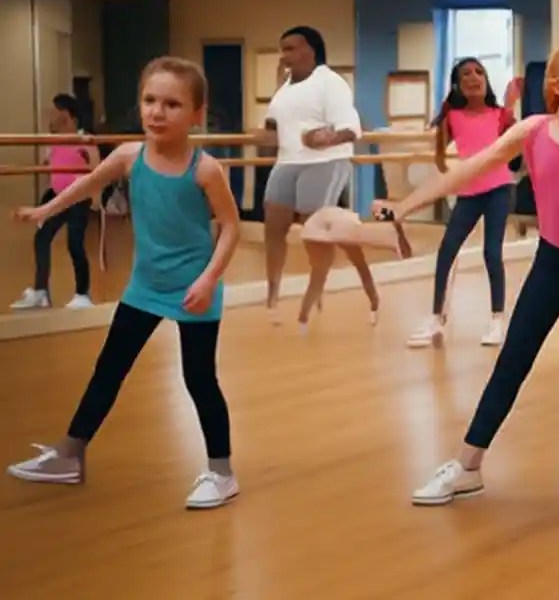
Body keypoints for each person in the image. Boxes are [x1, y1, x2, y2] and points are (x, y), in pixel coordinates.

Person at [377, 34, 559, 533]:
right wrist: (404, 208)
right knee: (511, 364)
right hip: (551, 264)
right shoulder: (532, 131)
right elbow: (468, 170)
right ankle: (468, 467)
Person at [7, 57, 241, 509]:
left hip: (195, 288)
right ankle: (71, 454)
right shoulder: (130, 156)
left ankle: (222, 471)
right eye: (150, 100)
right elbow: (84, 184)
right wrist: (44, 211)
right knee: (109, 368)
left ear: (196, 113)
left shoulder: (205, 169)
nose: (157, 111)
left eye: (172, 104)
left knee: (199, 379)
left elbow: (231, 227)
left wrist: (210, 279)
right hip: (145, 287)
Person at [259, 26, 376, 323]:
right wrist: (267, 135)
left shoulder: (330, 82)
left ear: (309, 51)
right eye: (282, 49)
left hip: (326, 161)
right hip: (288, 161)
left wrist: (326, 139)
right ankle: (272, 295)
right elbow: (273, 123)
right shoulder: (284, 88)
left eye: (290, 48)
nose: (284, 55)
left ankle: (318, 292)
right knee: (273, 225)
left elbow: (352, 129)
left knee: (315, 229)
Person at [408, 58, 522, 348]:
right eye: (466, 74)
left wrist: (511, 110)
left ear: (486, 80)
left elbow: (519, 147)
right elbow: (439, 150)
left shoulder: (501, 115)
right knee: (447, 250)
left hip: (499, 190)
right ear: (458, 84)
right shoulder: (453, 116)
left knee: (491, 253)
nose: (474, 77)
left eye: (479, 72)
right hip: (469, 192)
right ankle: (437, 317)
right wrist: (447, 172)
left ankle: (497, 319)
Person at [11, 94, 99, 310]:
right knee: (42, 238)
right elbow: (45, 165)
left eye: (56, 111)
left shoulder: (84, 140)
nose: (51, 115)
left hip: (78, 197)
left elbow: (98, 169)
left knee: (75, 244)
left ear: (68, 116)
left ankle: (82, 294)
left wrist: (96, 197)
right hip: (57, 197)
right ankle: (41, 292)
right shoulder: (52, 141)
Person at [296, 207, 413, 329]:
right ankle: (374, 304)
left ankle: (304, 320)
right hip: (330, 227)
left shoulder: (346, 218)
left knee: (318, 275)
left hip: (312, 230)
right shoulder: (353, 221)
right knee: (359, 266)